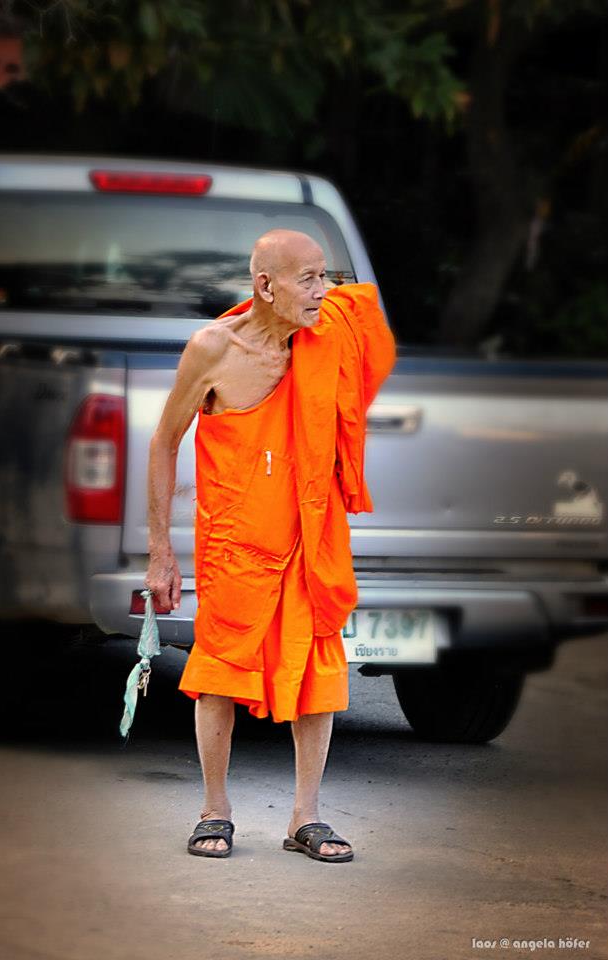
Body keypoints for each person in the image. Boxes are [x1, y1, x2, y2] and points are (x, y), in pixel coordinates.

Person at [145, 229, 395, 862]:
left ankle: (305, 818)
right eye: (309, 279)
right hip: (237, 542)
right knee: (220, 673)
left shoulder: (324, 339)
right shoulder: (212, 349)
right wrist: (160, 551)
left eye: (325, 276)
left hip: (310, 536)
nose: (325, 292)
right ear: (265, 286)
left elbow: (373, 351)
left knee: (317, 670)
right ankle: (214, 810)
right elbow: (163, 442)